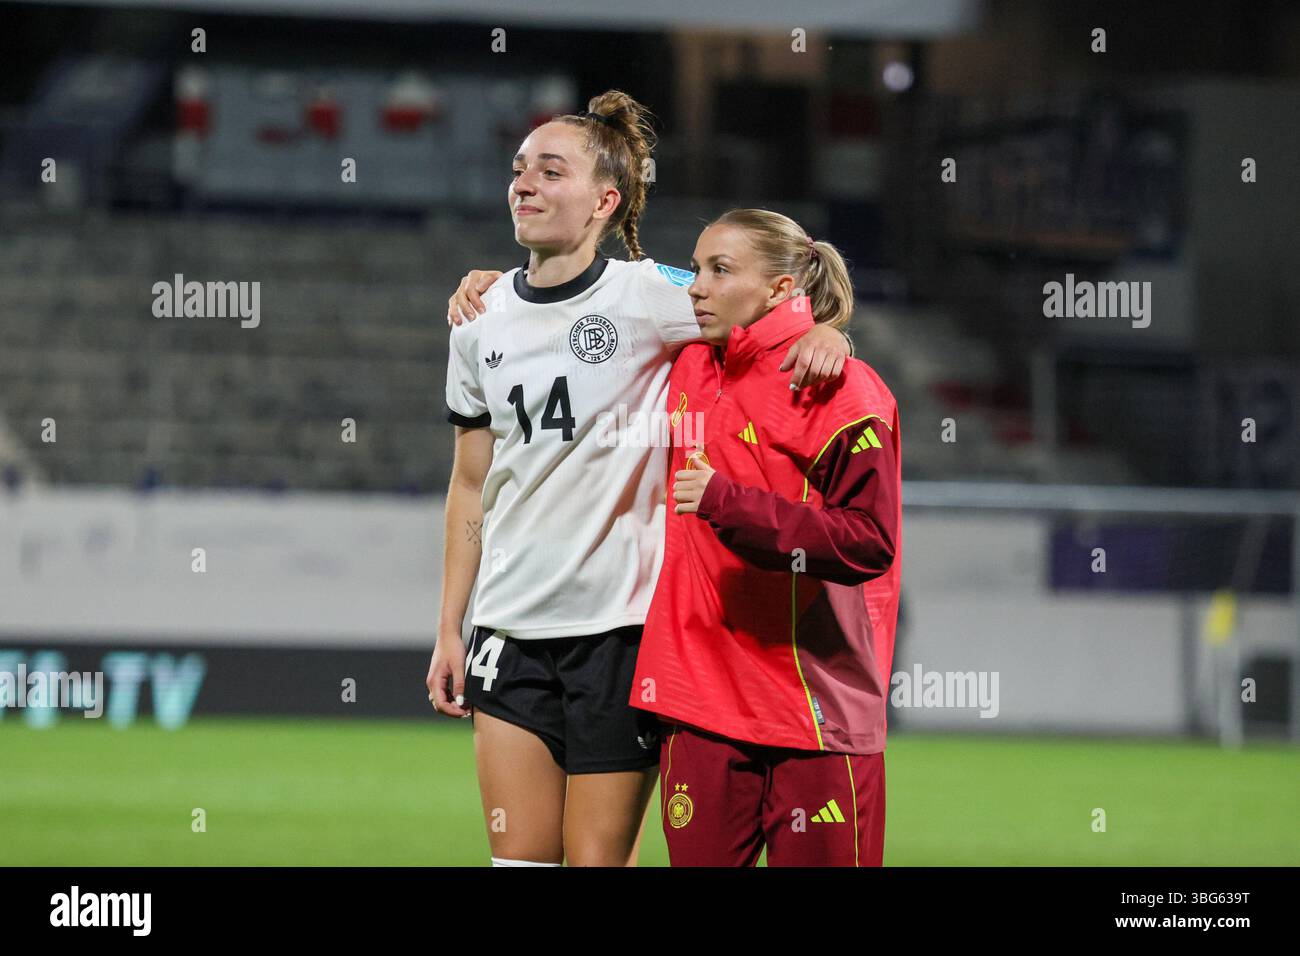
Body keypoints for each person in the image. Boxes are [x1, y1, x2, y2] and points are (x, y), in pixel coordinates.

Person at [431, 91, 853, 867]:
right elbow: (469, 484)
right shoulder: (476, 318)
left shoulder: (647, 294)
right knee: (518, 862)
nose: (524, 183)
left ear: (605, 199)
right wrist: (450, 625)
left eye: (550, 172)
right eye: (519, 168)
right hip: (506, 628)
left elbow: (760, 298)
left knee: (597, 863)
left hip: (620, 630)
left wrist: (824, 325)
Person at [633, 209, 902, 867]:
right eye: (695, 268)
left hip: (813, 713)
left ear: (782, 290)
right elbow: (596, 283)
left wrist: (729, 505)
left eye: (719, 270)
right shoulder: (691, 357)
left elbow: (870, 542)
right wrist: (500, 288)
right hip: (700, 703)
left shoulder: (843, 391)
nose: (695, 286)